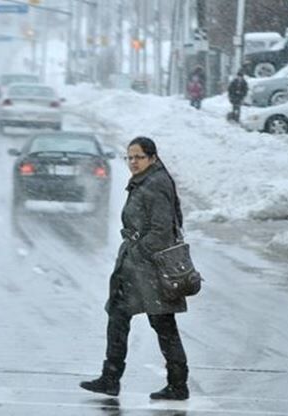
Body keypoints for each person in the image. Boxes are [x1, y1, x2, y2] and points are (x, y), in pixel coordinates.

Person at [80, 136, 190, 401]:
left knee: (163, 325)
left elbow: (162, 230)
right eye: (129, 157)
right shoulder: (146, 181)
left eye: (139, 157)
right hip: (135, 269)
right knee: (118, 316)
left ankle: (178, 384)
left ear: (152, 158)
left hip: (150, 270)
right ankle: (110, 378)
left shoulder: (156, 184)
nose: (133, 162)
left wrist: (137, 250)